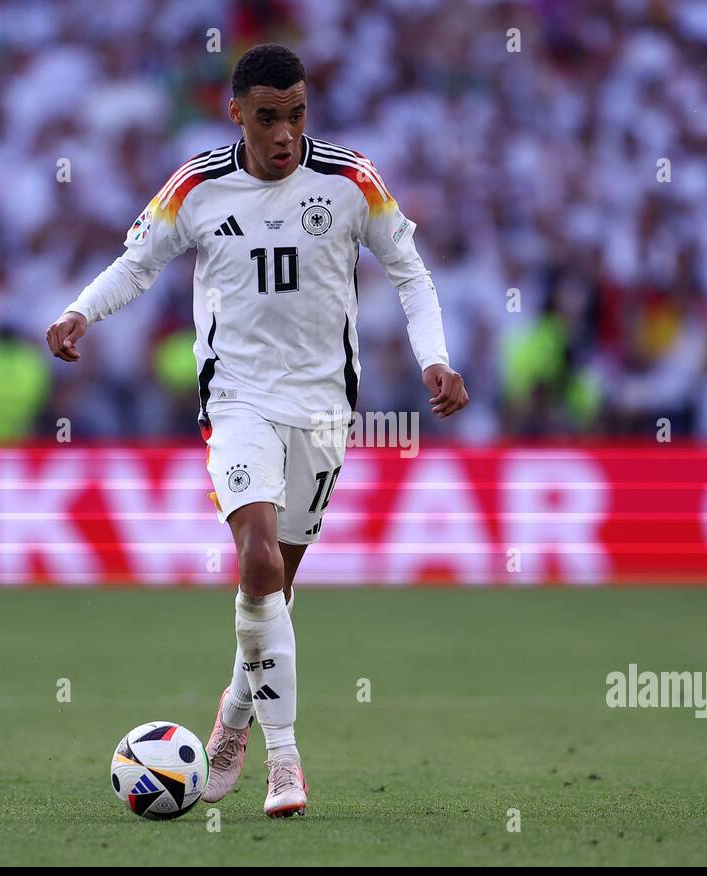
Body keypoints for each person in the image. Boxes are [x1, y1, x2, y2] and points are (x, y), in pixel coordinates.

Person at [45, 44, 468, 817]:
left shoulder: (350, 180)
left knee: (276, 586)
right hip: (236, 400)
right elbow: (138, 264)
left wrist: (434, 359)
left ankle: (234, 716)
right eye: (268, 117)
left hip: (323, 410)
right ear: (235, 112)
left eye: (297, 114)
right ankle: (286, 763)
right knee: (258, 558)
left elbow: (411, 272)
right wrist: (81, 311)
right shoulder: (197, 187)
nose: (284, 133)